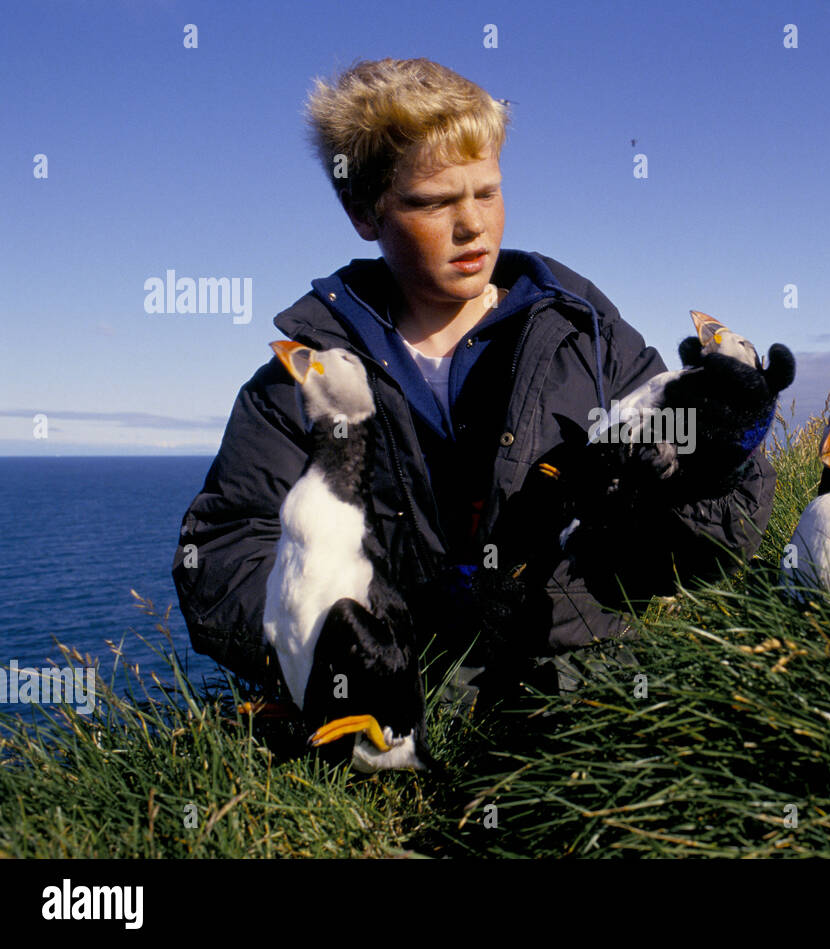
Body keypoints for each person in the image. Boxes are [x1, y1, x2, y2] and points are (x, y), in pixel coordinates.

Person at [171, 57, 776, 708]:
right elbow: (223, 550)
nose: (474, 225)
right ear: (364, 211)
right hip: (387, 707)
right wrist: (339, 640)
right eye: (435, 201)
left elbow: (704, 545)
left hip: (583, 695)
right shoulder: (303, 375)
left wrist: (724, 451)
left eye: (487, 191)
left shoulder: (591, 340)